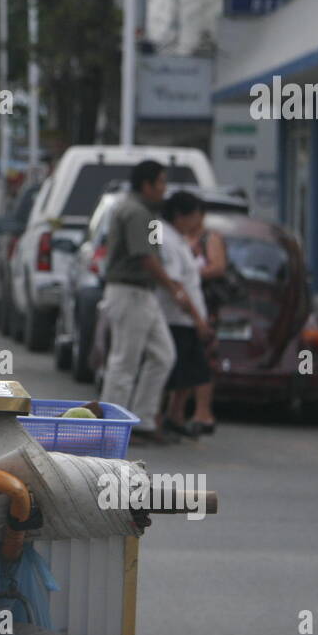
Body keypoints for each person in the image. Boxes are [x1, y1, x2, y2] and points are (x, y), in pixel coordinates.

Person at [97, 160, 186, 442]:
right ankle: (111, 429)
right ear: (146, 185)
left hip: (141, 293)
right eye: (161, 182)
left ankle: (143, 421)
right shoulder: (136, 212)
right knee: (124, 363)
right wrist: (173, 288)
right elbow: (145, 257)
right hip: (129, 292)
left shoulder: (142, 210)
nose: (164, 188)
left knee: (163, 355)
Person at [157, 191, 214, 439]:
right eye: (196, 217)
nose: (199, 223)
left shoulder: (179, 238)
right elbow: (176, 284)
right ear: (181, 216)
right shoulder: (167, 240)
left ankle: (175, 416)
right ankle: (161, 419)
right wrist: (198, 319)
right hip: (177, 320)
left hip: (186, 320)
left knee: (192, 372)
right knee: (175, 373)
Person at [188, 208, 229, 435]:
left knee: (205, 357)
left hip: (206, 307)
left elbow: (218, 267)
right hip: (185, 308)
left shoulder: (210, 238)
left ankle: (203, 412)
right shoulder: (180, 237)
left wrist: (191, 273)